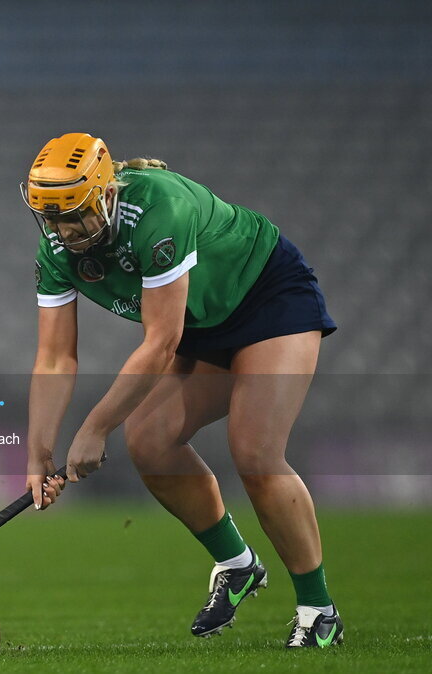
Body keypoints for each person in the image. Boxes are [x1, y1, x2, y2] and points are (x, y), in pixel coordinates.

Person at [23, 133, 342, 649]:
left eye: (75, 214)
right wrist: (38, 453)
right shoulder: (57, 250)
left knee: (256, 452)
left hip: (267, 300)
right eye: (52, 218)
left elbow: (162, 340)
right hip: (204, 324)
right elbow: (55, 358)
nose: (65, 231)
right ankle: (238, 566)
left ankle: (318, 608)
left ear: (105, 195)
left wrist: (94, 427)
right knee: (149, 440)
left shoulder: (159, 210)